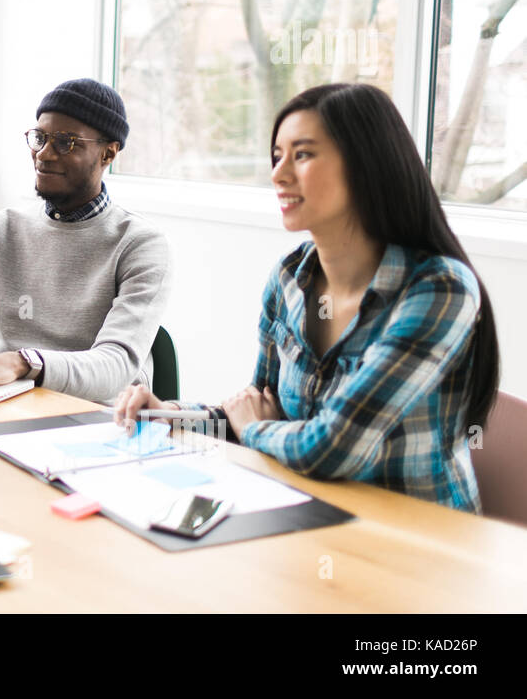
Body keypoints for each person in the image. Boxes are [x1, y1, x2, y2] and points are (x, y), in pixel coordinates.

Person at [114, 83, 500, 513]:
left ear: (366, 164)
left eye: (302, 154)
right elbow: (258, 408)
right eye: (277, 156)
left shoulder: (439, 290)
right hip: (308, 514)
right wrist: (169, 413)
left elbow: (332, 448)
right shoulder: (288, 278)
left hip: (418, 544)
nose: (279, 174)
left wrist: (256, 428)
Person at [0, 79, 172, 404]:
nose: (44, 154)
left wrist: (22, 363)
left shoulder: (141, 244)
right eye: (40, 138)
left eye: (67, 142)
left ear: (108, 153)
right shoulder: (3, 229)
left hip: (97, 420)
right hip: (9, 407)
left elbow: (115, 366)